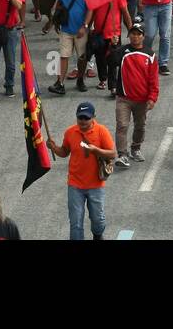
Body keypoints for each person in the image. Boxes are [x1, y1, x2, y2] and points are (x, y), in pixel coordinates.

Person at [46, 101, 116, 240]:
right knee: (75, 222)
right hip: (75, 184)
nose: (83, 121)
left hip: (96, 184)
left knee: (98, 219)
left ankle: (97, 235)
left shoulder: (101, 131)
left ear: (93, 117)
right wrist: (54, 147)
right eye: (80, 118)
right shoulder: (70, 132)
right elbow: (64, 152)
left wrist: (95, 150)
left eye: (86, 118)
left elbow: (112, 154)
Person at [114, 25, 159, 168]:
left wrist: (152, 98)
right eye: (132, 34)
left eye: (138, 34)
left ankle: (136, 148)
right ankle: (122, 155)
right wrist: (113, 45)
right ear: (129, 36)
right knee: (122, 126)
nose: (135, 36)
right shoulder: (122, 51)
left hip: (142, 100)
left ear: (143, 37)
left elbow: (153, 79)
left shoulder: (150, 55)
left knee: (140, 126)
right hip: (123, 98)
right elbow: (110, 60)